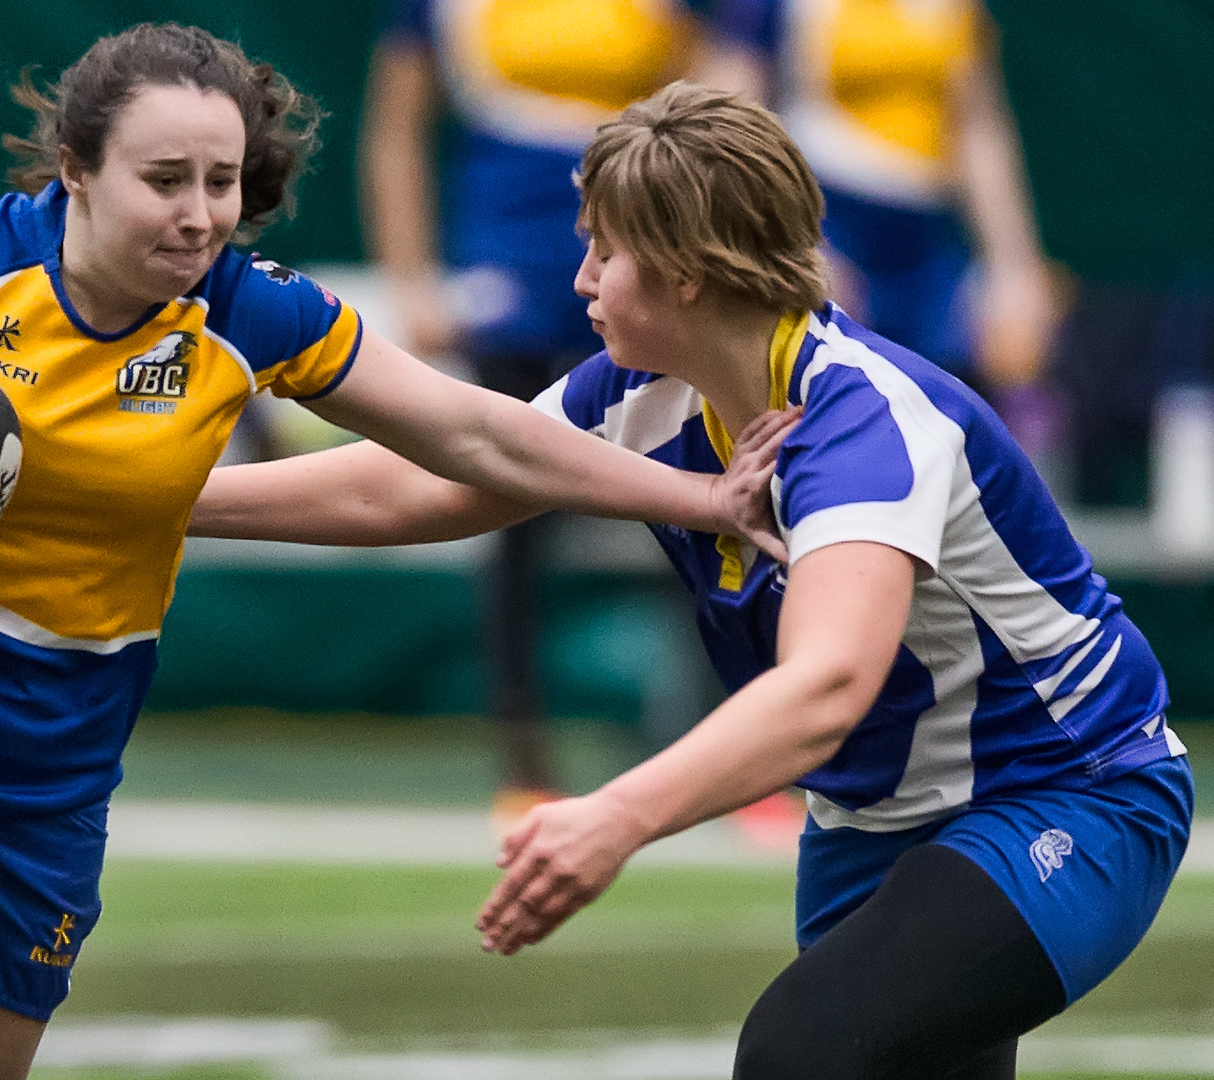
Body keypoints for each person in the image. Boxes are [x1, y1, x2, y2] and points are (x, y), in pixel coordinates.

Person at [0, 26, 783, 1080]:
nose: (202, 215)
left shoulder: (251, 315)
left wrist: (701, 497)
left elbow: (478, 434)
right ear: (76, 169)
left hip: (40, 787)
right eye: (166, 180)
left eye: (224, 182)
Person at [190, 82, 1192, 1079]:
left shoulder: (864, 425)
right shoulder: (643, 390)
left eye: (603, 249)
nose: (578, 277)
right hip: (873, 823)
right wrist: (158, 502)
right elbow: (431, 485)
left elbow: (827, 686)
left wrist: (618, 815)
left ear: (686, 270)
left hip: (1069, 795)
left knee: (802, 1052)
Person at [360, 0, 716, 806]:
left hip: (641, 253)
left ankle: (709, 740)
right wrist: (411, 277)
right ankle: (523, 760)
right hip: (506, 268)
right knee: (508, 507)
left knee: (690, 487)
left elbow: (709, 105)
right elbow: (396, 128)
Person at [698, 0, 1059, 397]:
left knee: (948, 406)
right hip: (829, 227)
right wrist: (793, 245)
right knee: (833, 401)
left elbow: (978, 129)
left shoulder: (957, 8)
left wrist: (1012, 266)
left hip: (927, 244)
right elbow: (723, 127)